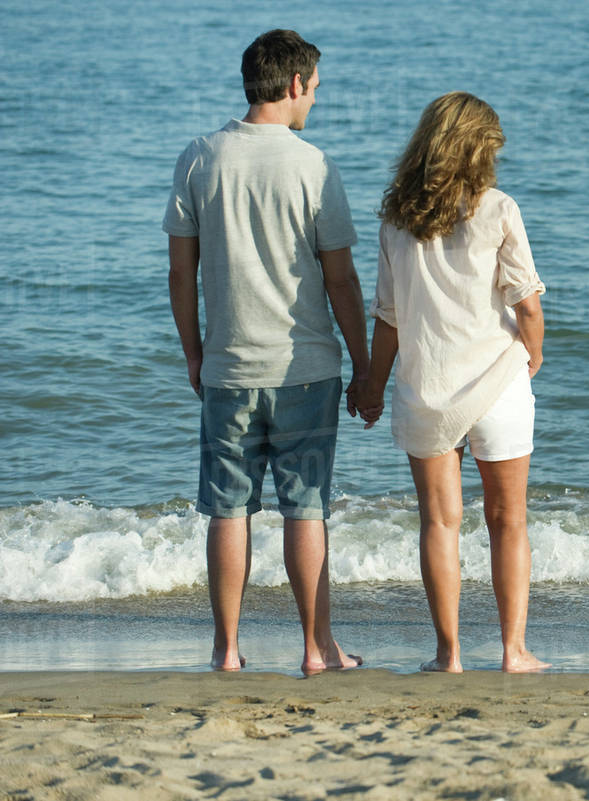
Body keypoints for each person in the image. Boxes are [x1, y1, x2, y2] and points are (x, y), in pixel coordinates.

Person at [164, 29, 366, 674]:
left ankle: (226, 651)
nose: (315, 100)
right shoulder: (314, 165)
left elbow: (181, 273)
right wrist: (365, 365)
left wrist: (194, 354)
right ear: (294, 84)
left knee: (228, 509)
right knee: (305, 509)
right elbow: (340, 277)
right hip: (306, 369)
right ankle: (316, 649)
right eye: (315, 87)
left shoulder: (199, 157)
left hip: (227, 367)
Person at [358, 92, 549, 673]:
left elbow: (388, 319)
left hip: (428, 387)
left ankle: (448, 655)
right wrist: (533, 356)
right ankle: (514, 652)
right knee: (508, 519)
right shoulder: (498, 208)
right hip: (499, 385)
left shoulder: (395, 219)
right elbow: (528, 305)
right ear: (478, 150)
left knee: (440, 522)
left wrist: (370, 386)